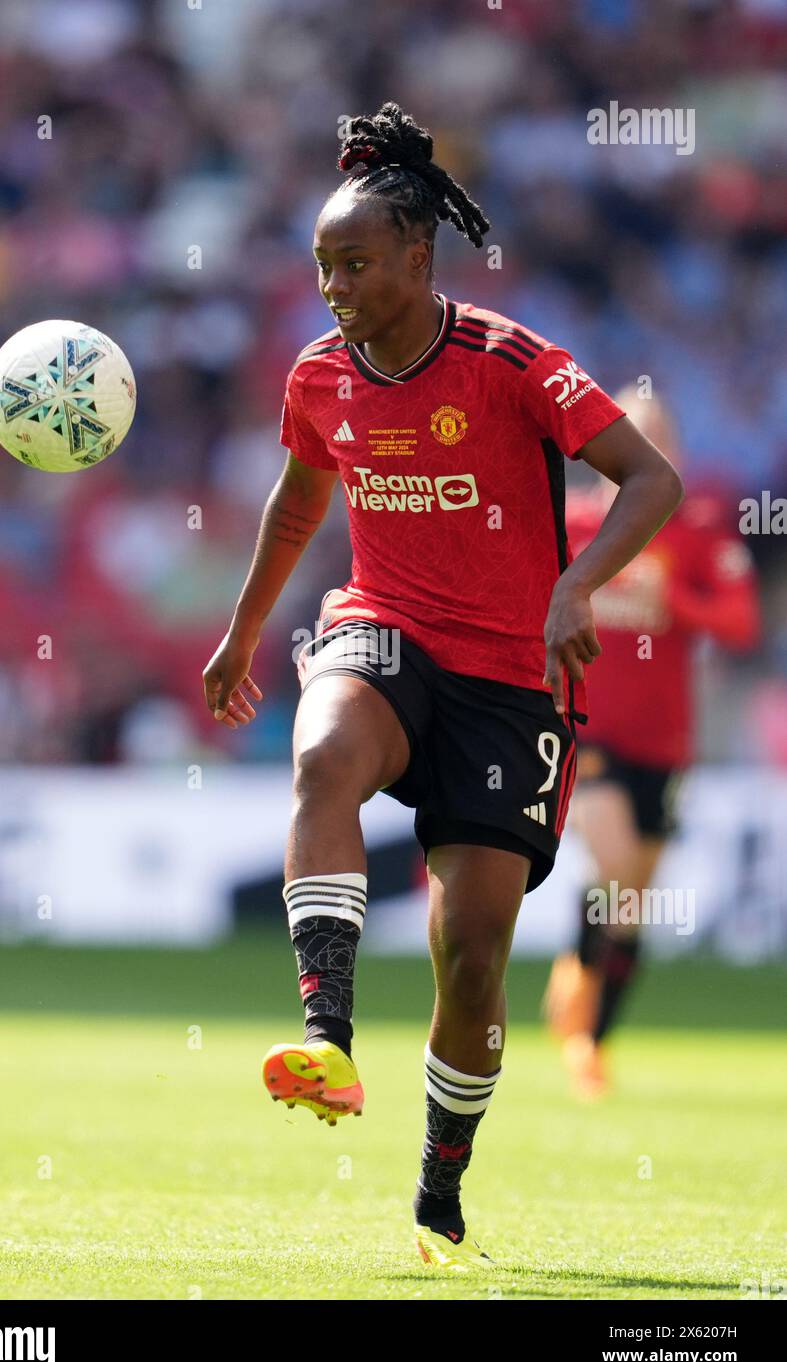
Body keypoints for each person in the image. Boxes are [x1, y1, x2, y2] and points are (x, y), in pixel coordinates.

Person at [202, 103, 683, 1273]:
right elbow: (298, 503)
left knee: (470, 958)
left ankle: (439, 1188)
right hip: (383, 628)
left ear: (419, 258)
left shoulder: (515, 364)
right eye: (323, 266)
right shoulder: (321, 374)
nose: (335, 287)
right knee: (322, 758)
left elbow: (650, 481)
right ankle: (326, 1034)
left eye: (356, 263)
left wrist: (575, 590)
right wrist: (242, 630)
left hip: (509, 683)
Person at [543, 391, 760, 1099]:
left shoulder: (695, 527)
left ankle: (593, 1037)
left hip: (663, 744)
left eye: (663, 434)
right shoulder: (569, 521)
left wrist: (679, 602)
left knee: (629, 900)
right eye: (640, 434)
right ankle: (579, 1011)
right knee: (608, 864)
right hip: (584, 729)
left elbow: (740, 624)